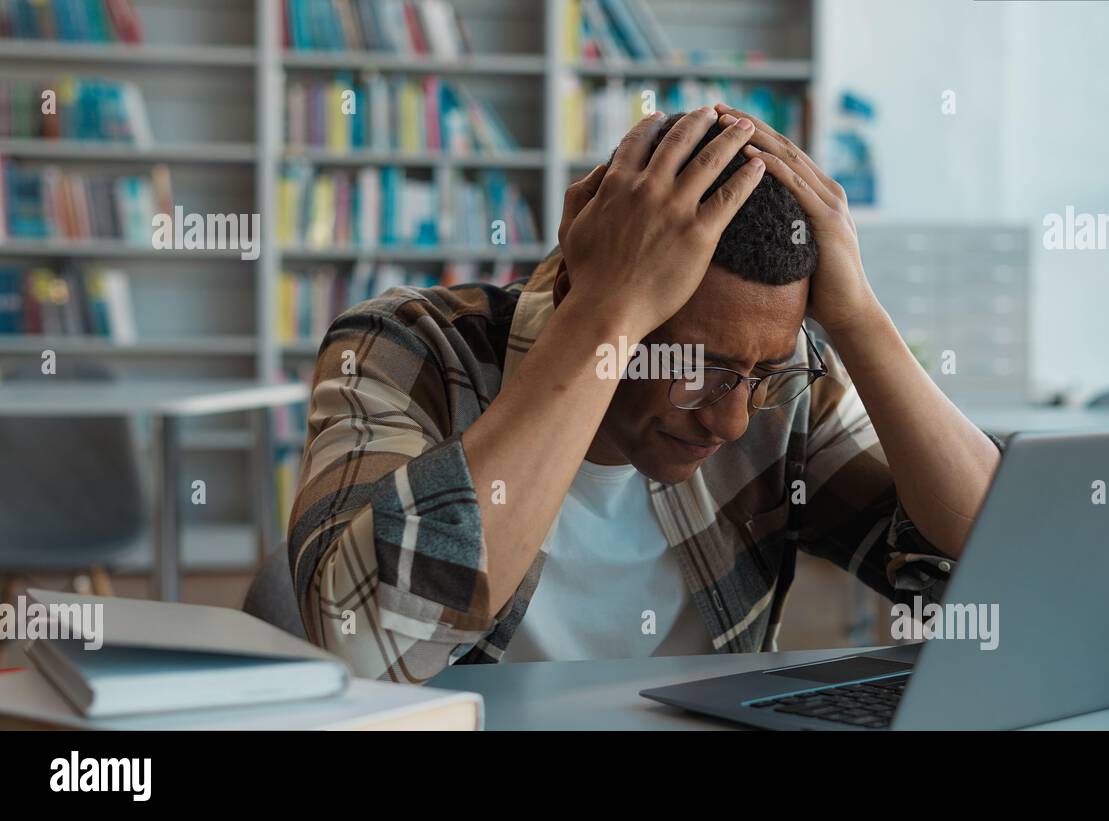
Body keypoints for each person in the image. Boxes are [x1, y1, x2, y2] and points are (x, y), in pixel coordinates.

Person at [288, 104, 1001, 682]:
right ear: (580, 287)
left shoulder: (778, 383)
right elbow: (370, 639)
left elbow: (996, 580)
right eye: (699, 368)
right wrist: (606, 312)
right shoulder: (405, 346)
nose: (731, 417)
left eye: (760, 374)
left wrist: (859, 320)